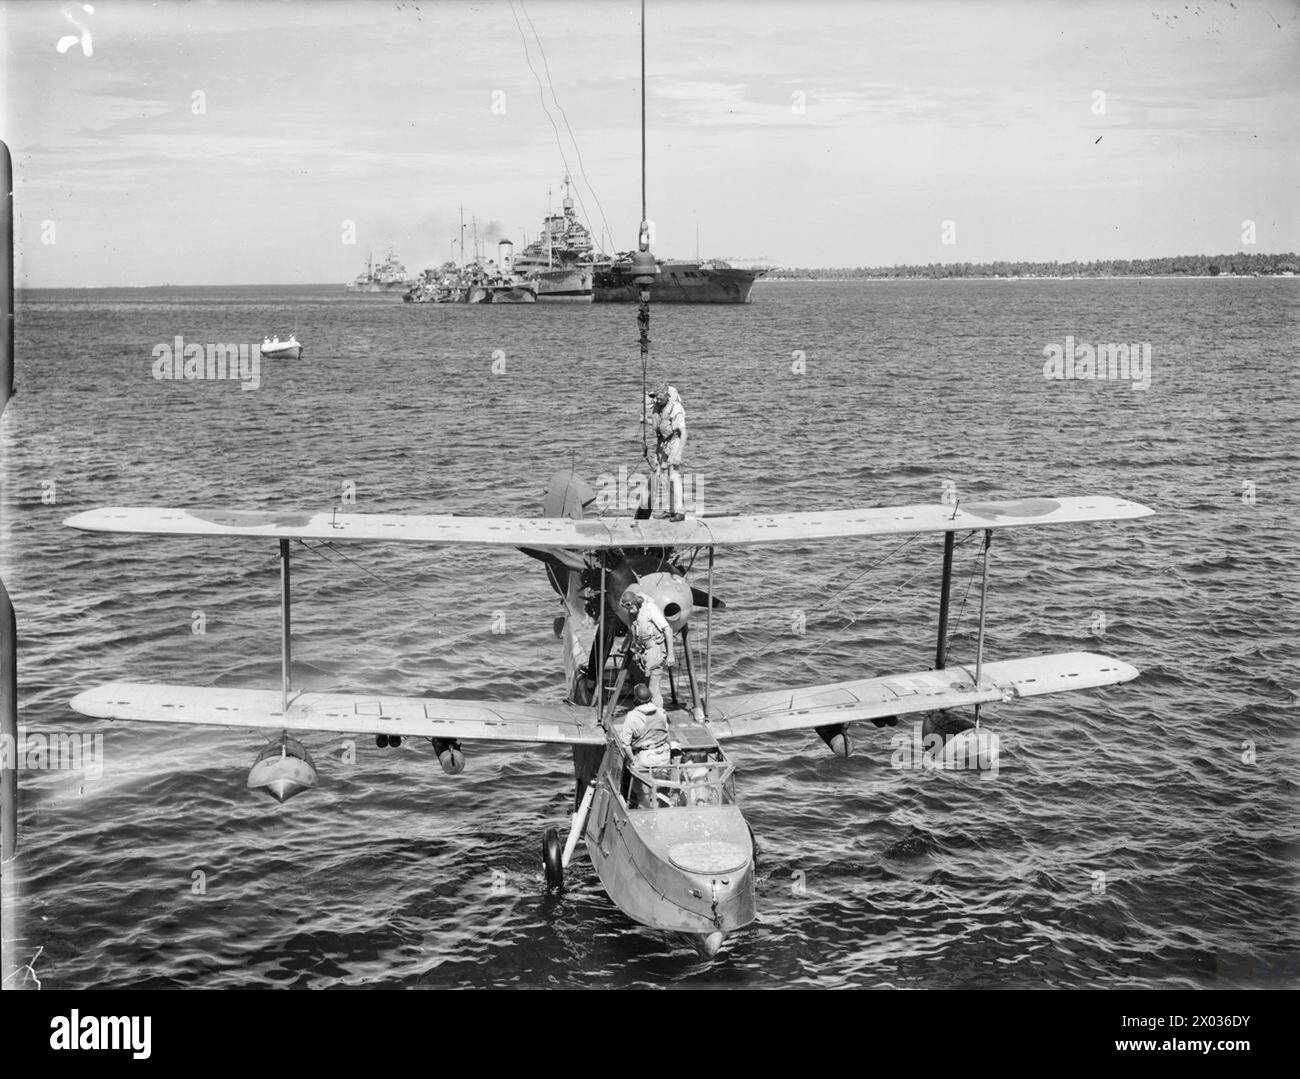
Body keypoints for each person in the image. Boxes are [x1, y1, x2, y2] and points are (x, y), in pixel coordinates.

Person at [620, 589, 674, 710]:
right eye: (626, 608)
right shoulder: (633, 614)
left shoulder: (650, 609)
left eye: (630, 606)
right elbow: (634, 631)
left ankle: (658, 715)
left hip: (655, 650)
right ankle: (649, 712)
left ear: (636, 602)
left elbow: (667, 630)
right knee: (645, 683)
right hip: (644, 652)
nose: (629, 610)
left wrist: (671, 654)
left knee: (653, 688)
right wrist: (630, 648)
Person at [620, 684, 671, 809]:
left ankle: (642, 806)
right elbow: (667, 734)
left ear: (635, 699)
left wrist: (633, 760)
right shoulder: (661, 712)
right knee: (663, 789)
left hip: (646, 758)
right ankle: (663, 803)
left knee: (642, 793)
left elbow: (625, 744)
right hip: (664, 755)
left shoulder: (632, 716)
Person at [650, 381, 687, 522]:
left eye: (660, 398)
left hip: (675, 442)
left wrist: (678, 454)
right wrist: (645, 421)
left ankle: (680, 511)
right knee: (664, 477)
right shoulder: (659, 406)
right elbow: (662, 425)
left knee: (674, 476)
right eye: (656, 398)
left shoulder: (676, 408)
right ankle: (669, 510)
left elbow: (684, 433)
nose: (657, 401)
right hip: (663, 444)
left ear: (667, 395)